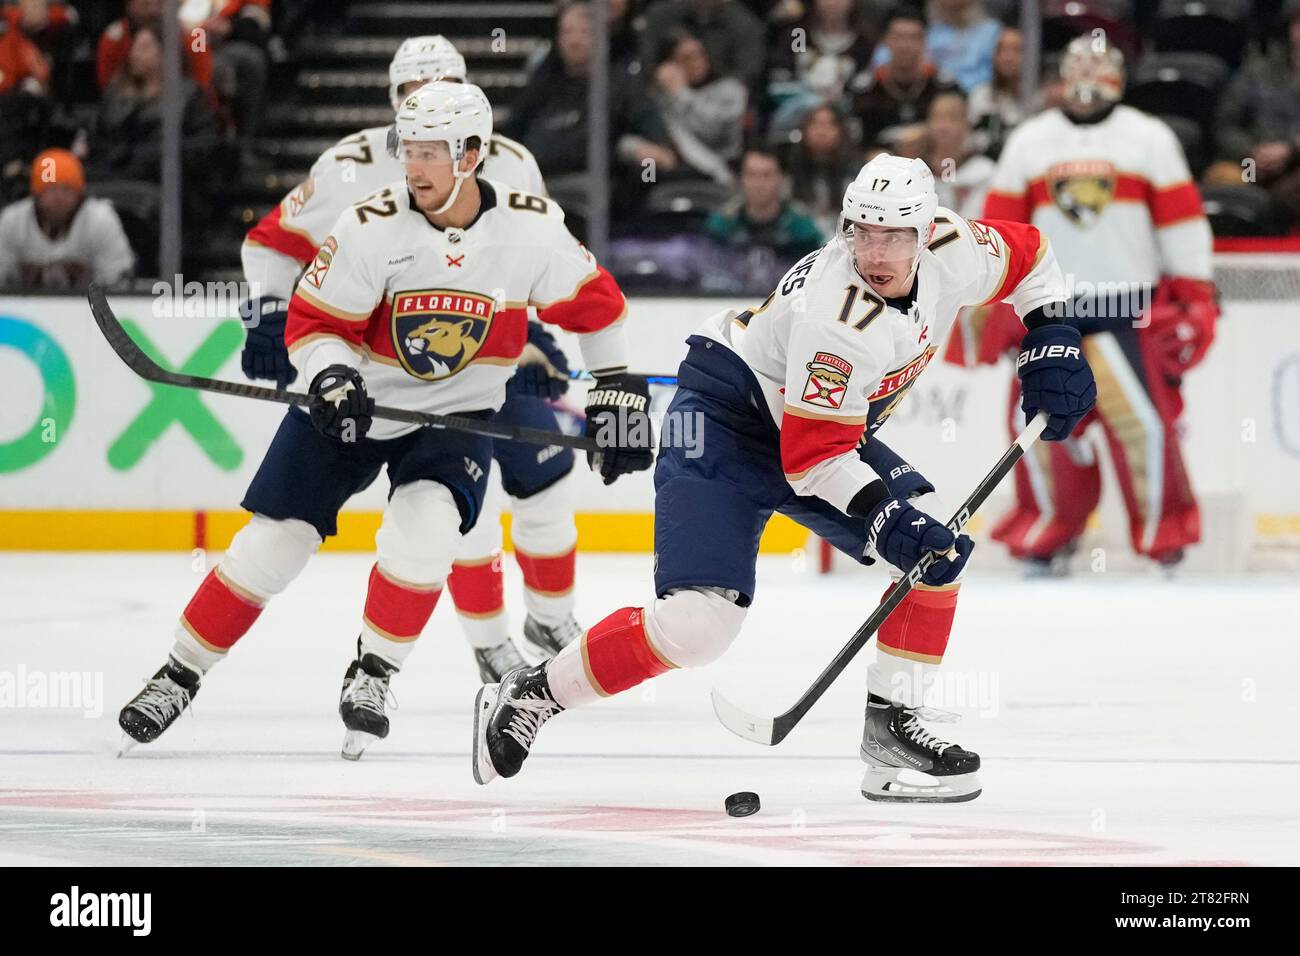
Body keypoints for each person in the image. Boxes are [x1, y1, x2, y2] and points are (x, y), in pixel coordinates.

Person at [473, 153, 1097, 803]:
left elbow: (1033, 257)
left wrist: (1051, 334)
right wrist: (888, 516)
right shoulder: (839, 317)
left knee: (936, 550)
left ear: (925, 230)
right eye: (862, 232)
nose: (875, 252)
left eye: (893, 236)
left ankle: (891, 730)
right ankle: (535, 691)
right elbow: (813, 460)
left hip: (812, 431)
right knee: (697, 627)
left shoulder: (954, 247)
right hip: (724, 422)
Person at [117, 82, 654, 759]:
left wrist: (617, 390)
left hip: (455, 413)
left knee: (426, 534)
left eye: (431, 152)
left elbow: (598, 308)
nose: (414, 166)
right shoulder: (371, 226)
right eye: (410, 149)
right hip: (353, 401)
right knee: (272, 545)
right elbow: (313, 325)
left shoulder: (530, 227)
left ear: (473, 154)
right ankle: (177, 673)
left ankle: (372, 675)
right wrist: (330, 375)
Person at [241, 36, 589, 691]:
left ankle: (550, 619)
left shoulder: (511, 163)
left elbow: (544, 260)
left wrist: (539, 338)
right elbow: (271, 243)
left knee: (546, 478)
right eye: (412, 94)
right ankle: (490, 644)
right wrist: (265, 312)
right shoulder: (351, 166)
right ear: (392, 100)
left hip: (486, 353)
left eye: (444, 86)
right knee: (462, 506)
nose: (427, 103)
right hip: (383, 366)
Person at [974, 35, 1217, 573]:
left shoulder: (1148, 137)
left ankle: (1164, 539)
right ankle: (1048, 535)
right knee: (1037, 429)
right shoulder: (1029, 140)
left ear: (1116, 79)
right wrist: (992, 300)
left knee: (1146, 429)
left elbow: (1181, 222)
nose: (1084, 87)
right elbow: (999, 229)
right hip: (1047, 312)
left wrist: (1196, 291)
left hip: (1126, 312)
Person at [0, 147, 134, 289]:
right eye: (50, 189)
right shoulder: (13, 221)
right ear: (35, 194)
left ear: (80, 193)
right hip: (21, 307)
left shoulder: (100, 220)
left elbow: (119, 279)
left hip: (89, 307)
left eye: (66, 189)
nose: (59, 197)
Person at [649, 28, 747, 185]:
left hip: (720, 173)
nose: (697, 61)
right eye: (687, 58)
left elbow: (713, 132)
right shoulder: (660, 98)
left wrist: (680, 92)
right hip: (673, 172)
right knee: (646, 172)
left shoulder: (731, 90)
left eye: (700, 54)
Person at [851, 8, 959, 147]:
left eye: (913, 37)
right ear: (884, 40)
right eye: (898, 37)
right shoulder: (865, 89)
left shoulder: (944, 87)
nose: (905, 45)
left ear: (925, 41)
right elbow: (855, 143)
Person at [706, 146, 824, 264]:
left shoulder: (802, 227)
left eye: (767, 175)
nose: (759, 184)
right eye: (752, 175)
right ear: (741, 179)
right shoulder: (723, 224)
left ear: (781, 178)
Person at [782, 102, 861, 235]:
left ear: (841, 131)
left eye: (829, 125)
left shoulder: (856, 171)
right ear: (804, 130)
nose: (822, 131)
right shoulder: (787, 167)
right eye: (815, 124)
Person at [924, 89, 994, 219]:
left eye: (953, 118)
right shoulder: (916, 172)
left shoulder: (984, 171)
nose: (944, 126)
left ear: (967, 123)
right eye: (938, 117)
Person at [967, 26, 1027, 160]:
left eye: (1016, 50)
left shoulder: (1038, 99)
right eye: (1002, 50)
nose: (1008, 57)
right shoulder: (979, 96)